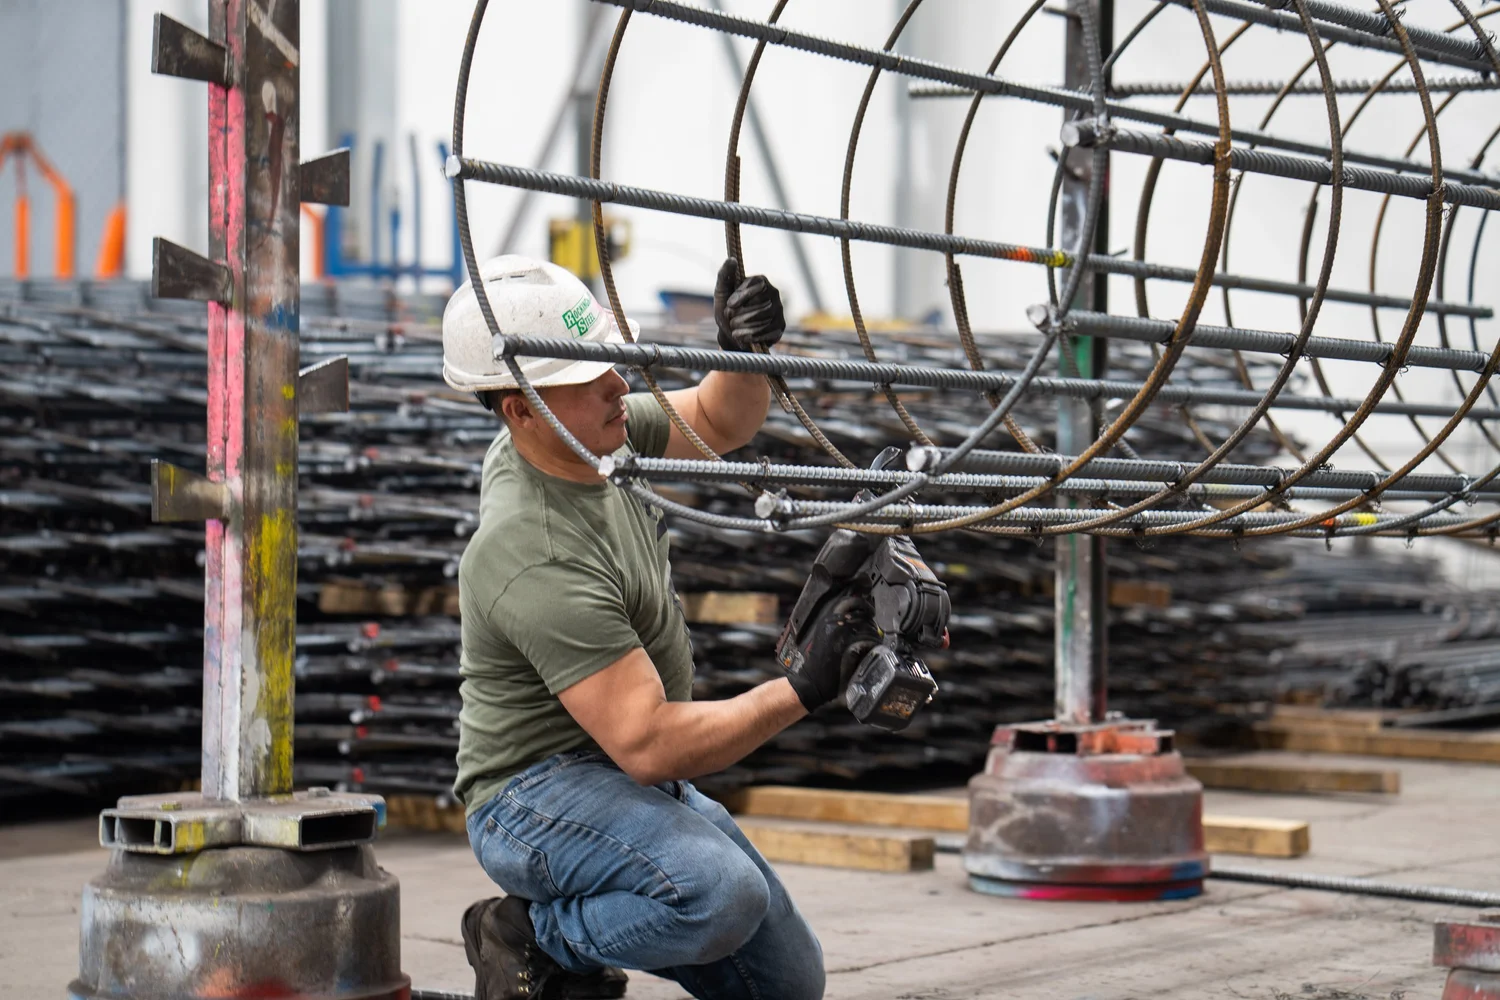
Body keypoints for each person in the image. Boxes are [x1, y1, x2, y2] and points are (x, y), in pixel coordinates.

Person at [440, 255, 872, 1000]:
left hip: (613, 771)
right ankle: (531, 937)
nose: (618, 385)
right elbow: (648, 743)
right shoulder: (530, 549)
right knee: (718, 894)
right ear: (519, 409)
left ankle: (584, 926)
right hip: (534, 796)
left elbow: (717, 418)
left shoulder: (591, 440)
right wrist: (803, 687)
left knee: (788, 986)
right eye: (587, 376)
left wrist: (741, 356)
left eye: (609, 360)